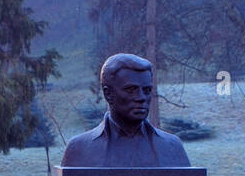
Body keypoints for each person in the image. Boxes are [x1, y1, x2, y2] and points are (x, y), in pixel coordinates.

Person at [60, 53, 191, 167]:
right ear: (108, 94)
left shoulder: (172, 147)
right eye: (131, 90)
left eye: (146, 90)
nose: (141, 98)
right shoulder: (79, 148)